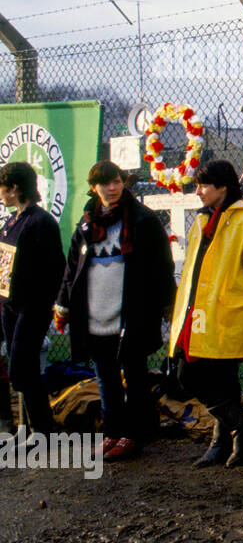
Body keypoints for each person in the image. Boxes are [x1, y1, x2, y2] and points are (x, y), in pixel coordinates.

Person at [55, 161, 175, 461]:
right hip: (94, 315)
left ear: (124, 183)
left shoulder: (142, 220)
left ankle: (133, 435)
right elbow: (71, 268)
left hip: (130, 315)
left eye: (117, 181)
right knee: (105, 375)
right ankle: (112, 432)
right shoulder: (86, 223)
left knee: (134, 375)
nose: (112, 188)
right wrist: (63, 305)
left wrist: (167, 303)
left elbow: (162, 266)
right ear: (94, 188)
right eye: (105, 183)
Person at [169, 160, 243, 468]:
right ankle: (236, 434)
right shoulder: (203, 222)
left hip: (228, 314)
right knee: (197, 376)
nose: (197, 191)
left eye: (204, 185)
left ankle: (231, 437)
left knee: (212, 377)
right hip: (199, 314)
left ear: (223, 187)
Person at [0, 162, 67, 438]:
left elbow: (55, 268)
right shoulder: (11, 222)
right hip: (10, 306)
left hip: (32, 306)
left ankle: (42, 429)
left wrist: (43, 303)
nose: (1, 195)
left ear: (14, 188)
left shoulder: (40, 222)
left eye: (2, 188)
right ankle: (27, 428)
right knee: (19, 369)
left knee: (21, 368)